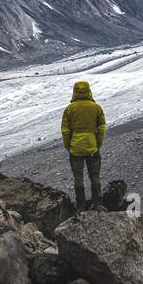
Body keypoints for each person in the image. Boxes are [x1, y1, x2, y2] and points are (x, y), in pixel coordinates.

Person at [61, 80, 106, 210]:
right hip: (92, 147)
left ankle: (81, 205)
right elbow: (101, 127)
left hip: (75, 148)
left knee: (78, 177)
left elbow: (65, 130)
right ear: (88, 90)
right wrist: (98, 143)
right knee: (95, 175)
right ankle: (97, 203)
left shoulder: (70, 108)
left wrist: (68, 146)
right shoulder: (96, 107)